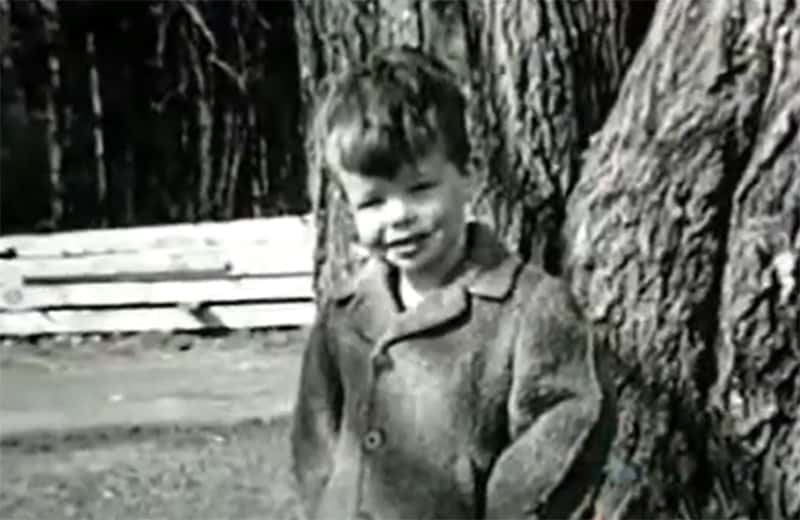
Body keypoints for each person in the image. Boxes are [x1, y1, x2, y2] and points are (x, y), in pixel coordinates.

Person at [291, 46, 615, 520]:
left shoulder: (530, 310)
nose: (398, 217)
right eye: (373, 202)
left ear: (469, 177)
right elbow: (315, 440)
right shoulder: (344, 317)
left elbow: (561, 434)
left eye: (420, 189)